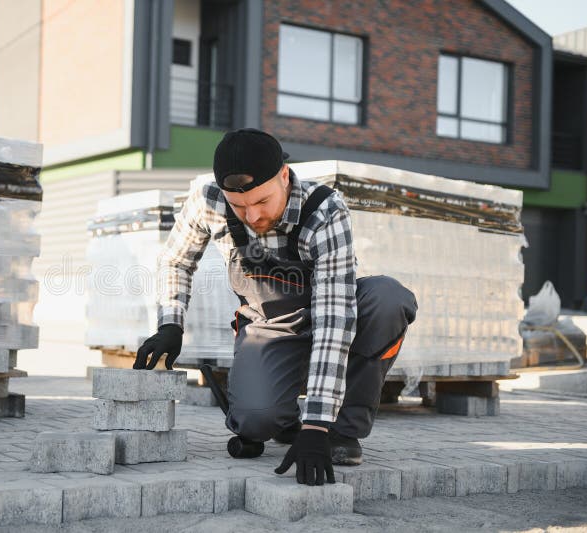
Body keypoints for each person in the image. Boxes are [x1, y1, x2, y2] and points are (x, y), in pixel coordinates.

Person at [134, 128, 417, 486]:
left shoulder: (324, 210)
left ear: (284, 175)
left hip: (329, 310)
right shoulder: (207, 200)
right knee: (256, 420)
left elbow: (333, 321)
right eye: (239, 206)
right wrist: (170, 324)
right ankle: (284, 419)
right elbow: (175, 260)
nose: (251, 216)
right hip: (269, 327)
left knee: (387, 298)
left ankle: (341, 431)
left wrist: (317, 426)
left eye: (262, 201)